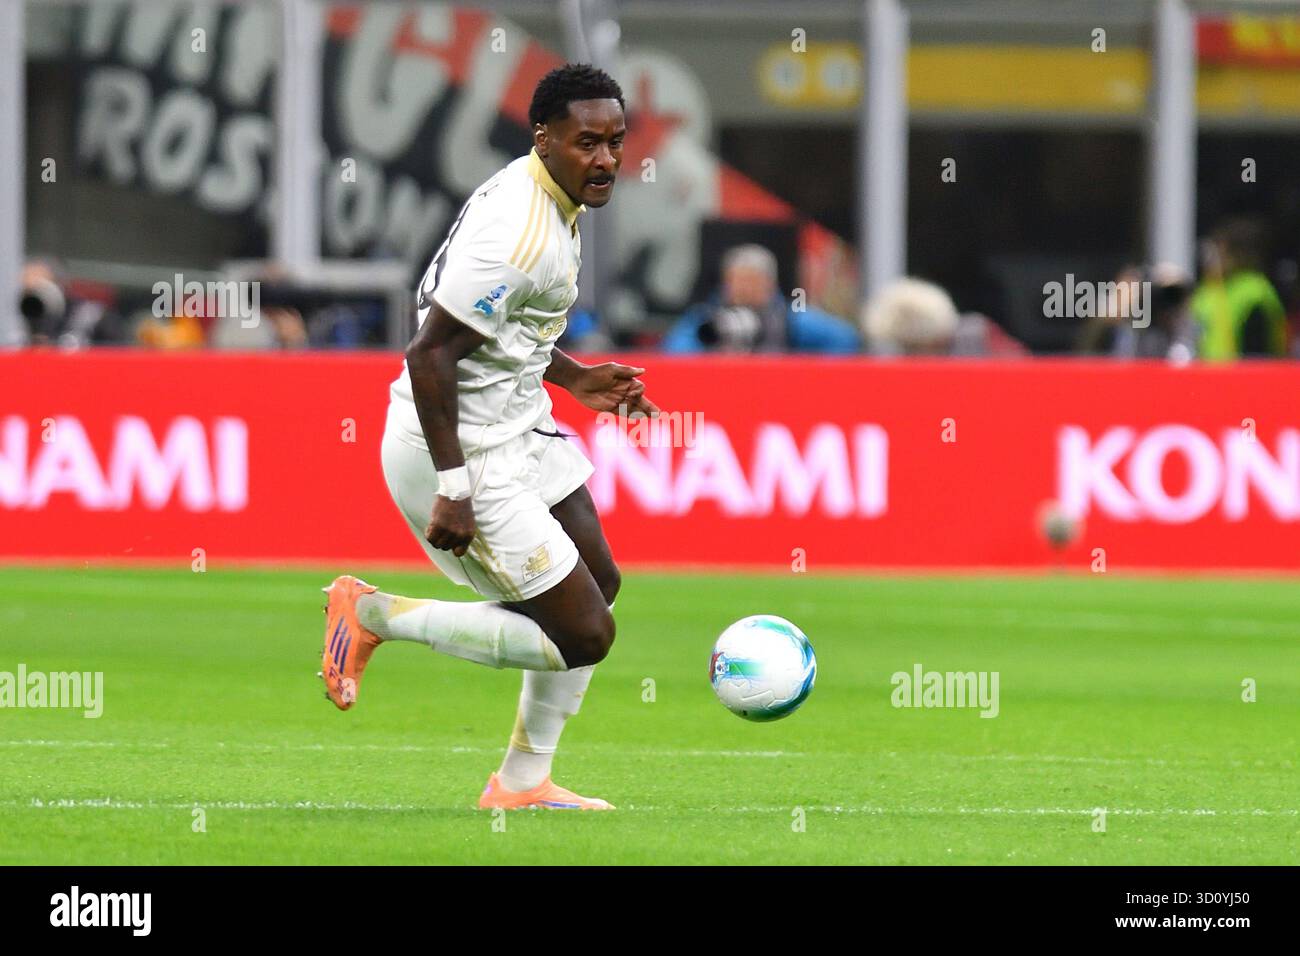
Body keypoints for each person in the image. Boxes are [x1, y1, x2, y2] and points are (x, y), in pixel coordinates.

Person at [319, 65, 658, 811]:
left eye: (615, 142)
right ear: (545, 138)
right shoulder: (522, 231)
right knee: (585, 635)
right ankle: (372, 614)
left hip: (513, 420)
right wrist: (455, 487)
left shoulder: (544, 190)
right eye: (586, 143)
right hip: (457, 444)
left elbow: (499, 328)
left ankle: (522, 784)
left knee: (599, 584)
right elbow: (430, 351)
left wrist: (571, 379)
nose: (604, 159)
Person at [661, 244, 859, 353]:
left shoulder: (788, 318)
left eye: (751, 281)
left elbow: (844, 338)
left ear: (769, 283)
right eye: (737, 281)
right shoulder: (706, 316)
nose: (743, 289)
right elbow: (676, 350)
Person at [1191, 220, 1287, 360]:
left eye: (1219, 251)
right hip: (1208, 376)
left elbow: (1257, 355)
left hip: (1242, 378)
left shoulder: (1254, 292)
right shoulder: (1209, 289)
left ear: (1237, 254)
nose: (1213, 258)